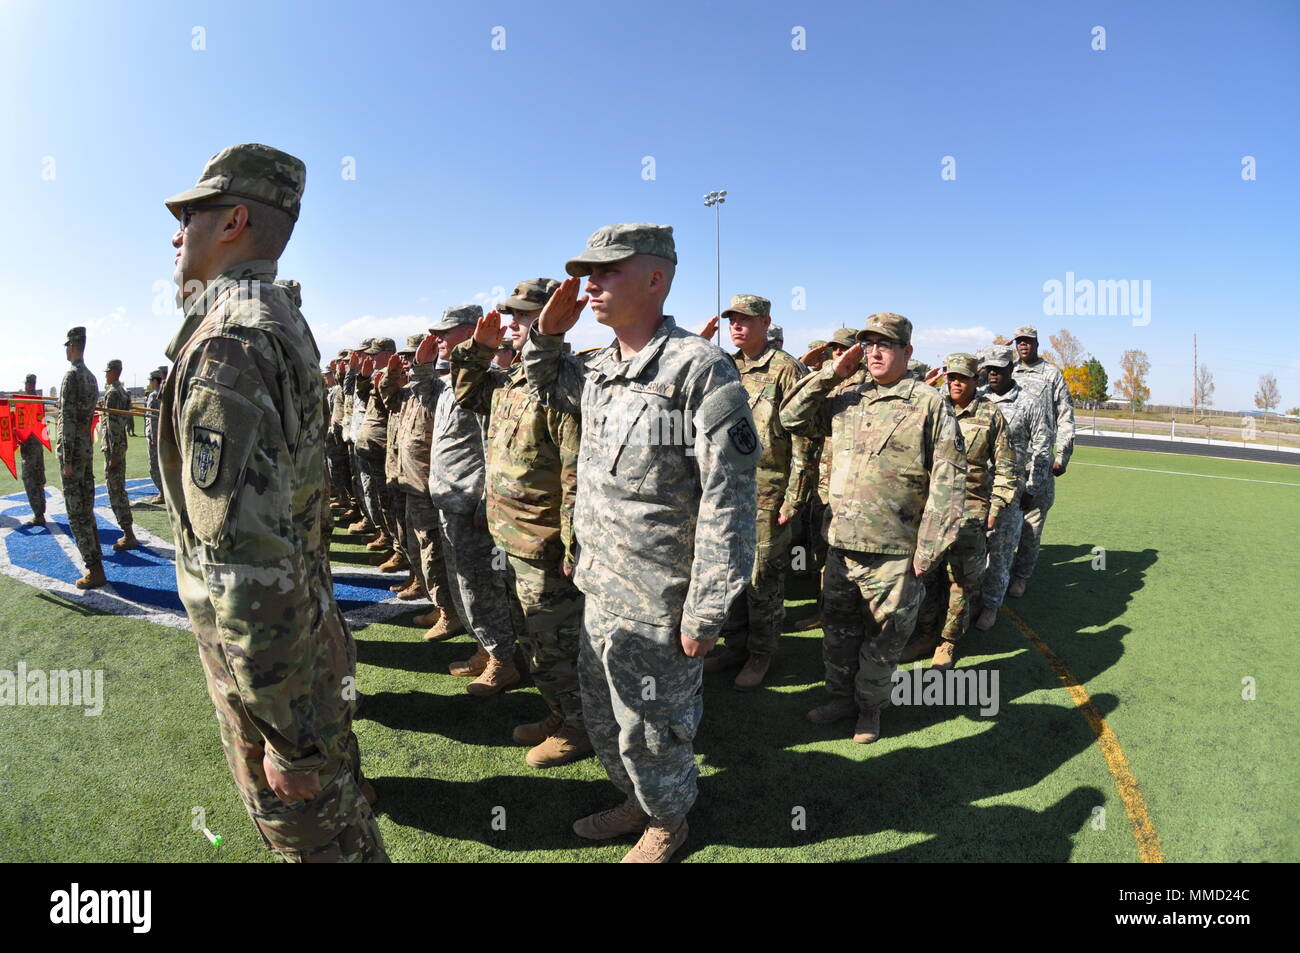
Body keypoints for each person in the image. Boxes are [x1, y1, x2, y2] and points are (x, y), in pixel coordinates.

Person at [158, 142, 386, 862]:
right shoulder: (274, 318)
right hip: (303, 658)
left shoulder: (230, 344)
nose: (174, 233)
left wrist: (286, 734)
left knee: (322, 847)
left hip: (278, 689)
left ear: (232, 220)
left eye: (187, 215)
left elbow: (246, 565)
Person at [523, 222, 759, 862]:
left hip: (661, 596)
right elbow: (549, 386)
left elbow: (729, 496)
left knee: (655, 728)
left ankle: (667, 823)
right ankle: (636, 800)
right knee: (606, 719)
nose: (589, 284)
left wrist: (707, 606)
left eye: (607, 272)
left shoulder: (698, 368)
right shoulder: (601, 367)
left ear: (656, 279)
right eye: (587, 272)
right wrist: (547, 334)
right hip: (601, 584)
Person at [780, 313, 965, 744]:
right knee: (838, 634)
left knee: (883, 644)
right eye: (867, 344)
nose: (874, 352)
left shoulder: (928, 403)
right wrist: (830, 373)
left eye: (884, 344)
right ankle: (841, 698)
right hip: (841, 546)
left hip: (896, 552)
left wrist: (928, 552)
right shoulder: (847, 394)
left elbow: (948, 481)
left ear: (907, 352)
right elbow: (790, 418)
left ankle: (870, 711)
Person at [451, 278, 592, 766]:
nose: (512, 323)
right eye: (510, 314)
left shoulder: (562, 381)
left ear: (553, 319)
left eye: (524, 315)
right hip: (510, 535)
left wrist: (573, 546)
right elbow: (469, 396)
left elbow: (576, 473)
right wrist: (477, 351)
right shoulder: (511, 381)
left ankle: (580, 724)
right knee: (533, 639)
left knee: (557, 645)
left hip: (545, 541)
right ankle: (559, 710)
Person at [703, 294, 814, 690]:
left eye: (746, 319)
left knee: (763, 576)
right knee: (729, 572)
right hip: (726, 490)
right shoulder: (724, 366)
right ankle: (735, 645)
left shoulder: (786, 369)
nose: (737, 325)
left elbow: (804, 435)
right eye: (732, 319)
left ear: (766, 323)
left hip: (768, 491)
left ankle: (762, 652)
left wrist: (795, 495)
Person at [427, 304, 520, 694]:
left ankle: (504, 660)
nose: (439, 340)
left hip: (472, 502)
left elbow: (492, 445)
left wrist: (486, 499)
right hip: (449, 499)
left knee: (481, 584)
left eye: (447, 333)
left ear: (473, 332)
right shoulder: (450, 381)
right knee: (463, 582)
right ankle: (487, 646)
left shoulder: (489, 382)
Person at [905, 353, 1015, 668]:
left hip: (970, 510)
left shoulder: (990, 415)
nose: (955, 382)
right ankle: (925, 632)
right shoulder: (932, 407)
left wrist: (996, 505)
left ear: (974, 380)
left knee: (961, 580)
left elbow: (1007, 466)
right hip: (929, 508)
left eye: (962, 377)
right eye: (951, 376)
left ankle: (947, 641)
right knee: (924, 574)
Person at [975, 345, 1052, 629]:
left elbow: (1042, 448)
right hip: (976, 487)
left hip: (1011, 490)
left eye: (998, 369)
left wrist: (1033, 487)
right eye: (989, 369)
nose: (992, 374)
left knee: (1001, 550)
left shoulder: (1029, 403)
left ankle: (991, 604)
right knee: (973, 548)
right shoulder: (978, 399)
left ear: (1011, 369)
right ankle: (971, 598)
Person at [391, 334, 462, 630]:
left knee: (435, 554)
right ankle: (440, 604)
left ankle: (449, 612)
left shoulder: (442, 388)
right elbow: (387, 399)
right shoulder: (415, 389)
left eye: (414, 356)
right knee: (421, 549)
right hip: (412, 481)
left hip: (431, 486)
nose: (408, 361)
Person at [1009, 325, 1076, 597]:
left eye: (1028, 341)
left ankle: (1020, 576)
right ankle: (993, 572)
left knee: (1032, 525)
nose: (1023, 346)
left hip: (1039, 461)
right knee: (998, 521)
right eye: (1019, 342)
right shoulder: (1006, 371)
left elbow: (1065, 417)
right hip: (1007, 461)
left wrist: (1062, 455)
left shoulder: (1051, 375)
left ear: (1037, 344)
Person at [58, 327, 105, 589]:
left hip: (74, 456)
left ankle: (94, 569)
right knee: (87, 511)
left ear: (74, 346)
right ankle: (96, 563)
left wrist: (66, 460)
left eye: (67, 346)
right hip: (86, 452)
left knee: (77, 515)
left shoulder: (71, 377)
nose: (66, 350)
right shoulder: (91, 378)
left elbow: (66, 422)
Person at [100, 359, 138, 550]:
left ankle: (128, 534)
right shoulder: (122, 392)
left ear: (115, 372)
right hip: (120, 444)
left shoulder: (114, 393)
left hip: (114, 447)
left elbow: (114, 426)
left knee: (116, 491)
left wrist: (113, 454)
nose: (105, 375)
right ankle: (128, 532)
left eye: (107, 372)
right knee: (119, 489)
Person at [19, 374, 47, 526]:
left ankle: (38, 514)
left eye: (27, 384)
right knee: (37, 479)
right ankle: (40, 512)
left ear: (31, 384)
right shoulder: (37, 400)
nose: (26, 386)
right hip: (35, 447)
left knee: (30, 480)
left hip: (30, 448)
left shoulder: (30, 401)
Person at [138, 366, 167, 506]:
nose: (150, 383)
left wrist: (153, 436)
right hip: (165, 436)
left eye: (151, 380)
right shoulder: (166, 392)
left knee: (155, 466)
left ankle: (163, 493)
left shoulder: (154, 395)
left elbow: (153, 417)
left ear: (155, 381)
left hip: (156, 437)